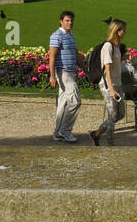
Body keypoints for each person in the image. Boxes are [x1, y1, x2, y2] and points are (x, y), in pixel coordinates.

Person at [48, 10, 84, 143]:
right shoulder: (56, 36)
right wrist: (52, 76)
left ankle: (58, 132)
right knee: (75, 101)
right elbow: (51, 57)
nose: (70, 23)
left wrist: (86, 69)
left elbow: (76, 54)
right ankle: (65, 131)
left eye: (71, 20)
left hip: (71, 73)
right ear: (61, 21)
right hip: (63, 73)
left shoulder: (71, 36)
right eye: (67, 20)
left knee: (63, 103)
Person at [90, 19, 127, 147]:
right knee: (112, 115)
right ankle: (110, 144)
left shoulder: (116, 47)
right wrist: (111, 89)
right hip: (108, 84)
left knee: (121, 113)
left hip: (117, 83)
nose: (125, 33)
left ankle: (97, 133)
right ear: (117, 31)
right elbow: (107, 69)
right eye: (123, 30)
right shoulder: (108, 46)